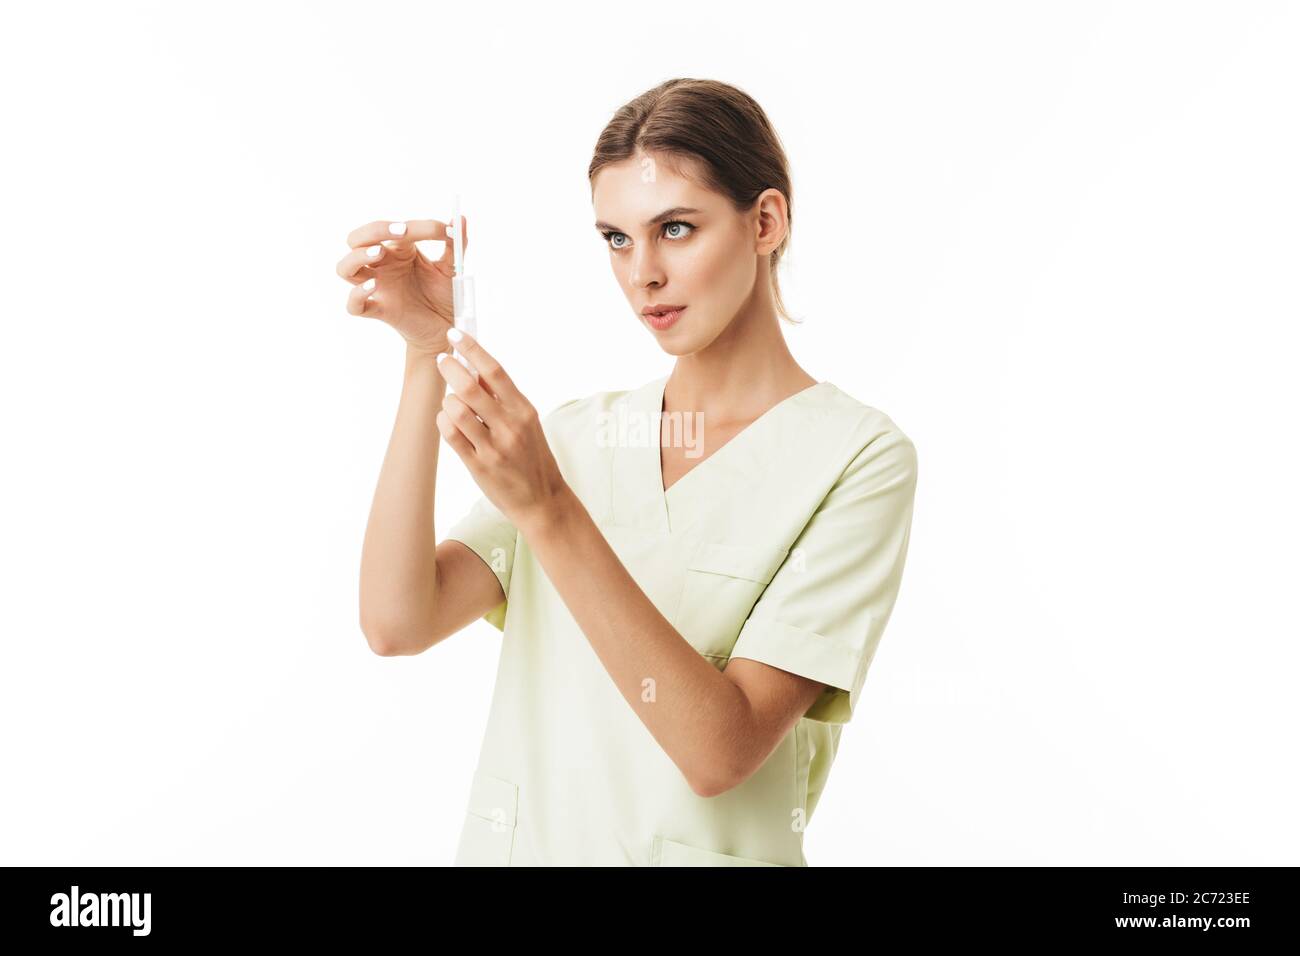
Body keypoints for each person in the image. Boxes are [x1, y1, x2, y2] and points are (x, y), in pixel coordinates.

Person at [339, 78, 918, 866]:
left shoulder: (857, 459)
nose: (642, 273)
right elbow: (396, 622)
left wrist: (549, 510)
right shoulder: (582, 436)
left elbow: (722, 751)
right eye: (615, 238)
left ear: (766, 221)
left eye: (675, 229)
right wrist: (422, 354)